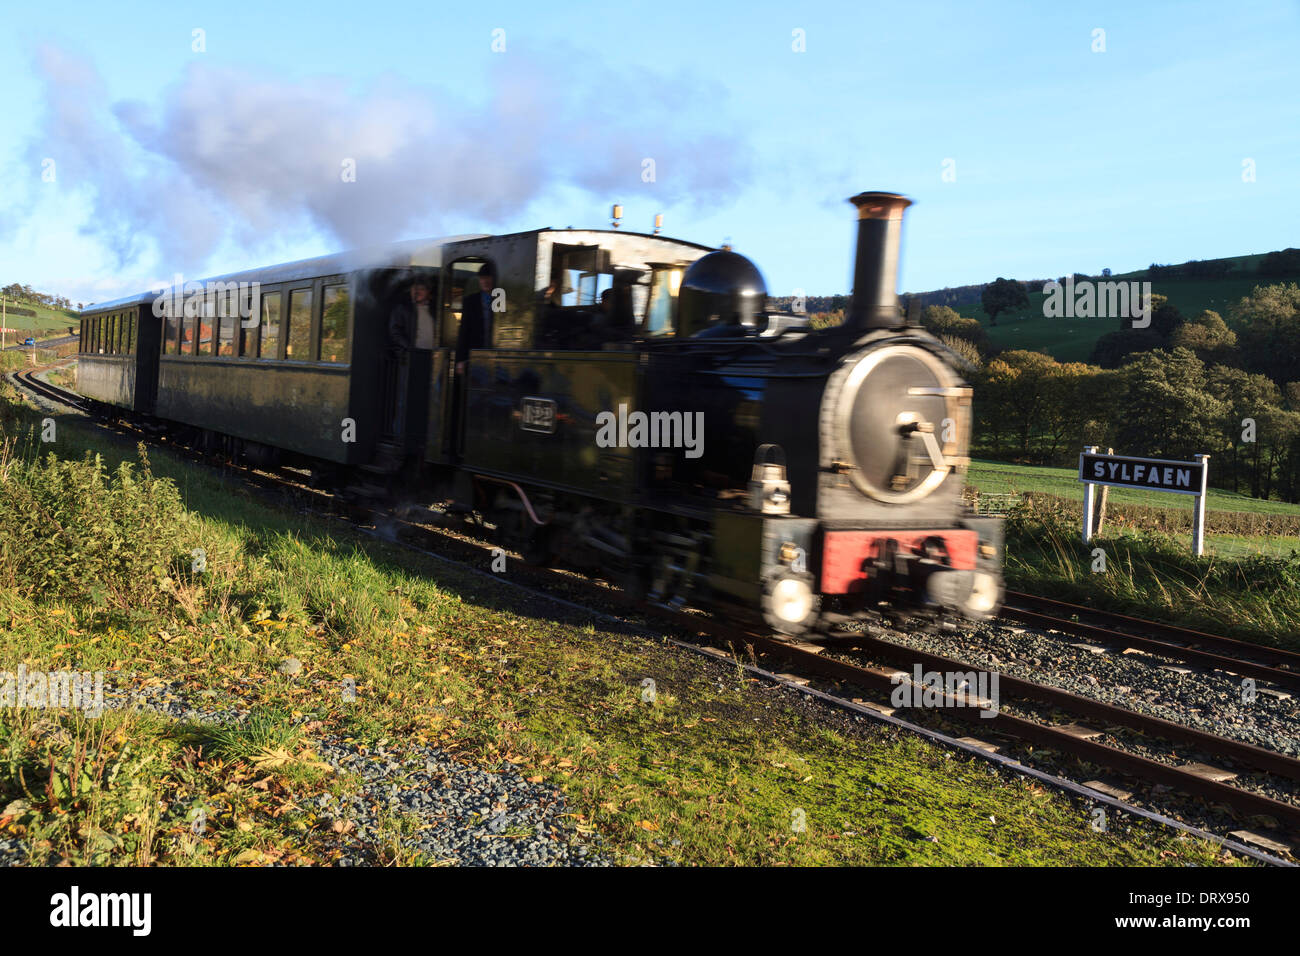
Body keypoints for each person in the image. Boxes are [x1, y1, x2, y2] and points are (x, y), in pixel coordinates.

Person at [455, 263, 497, 375]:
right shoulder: (470, 301)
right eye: (482, 278)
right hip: (474, 354)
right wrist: (460, 359)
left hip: (494, 354)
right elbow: (464, 331)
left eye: (488, 277)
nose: (485, 281)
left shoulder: (500, 299)